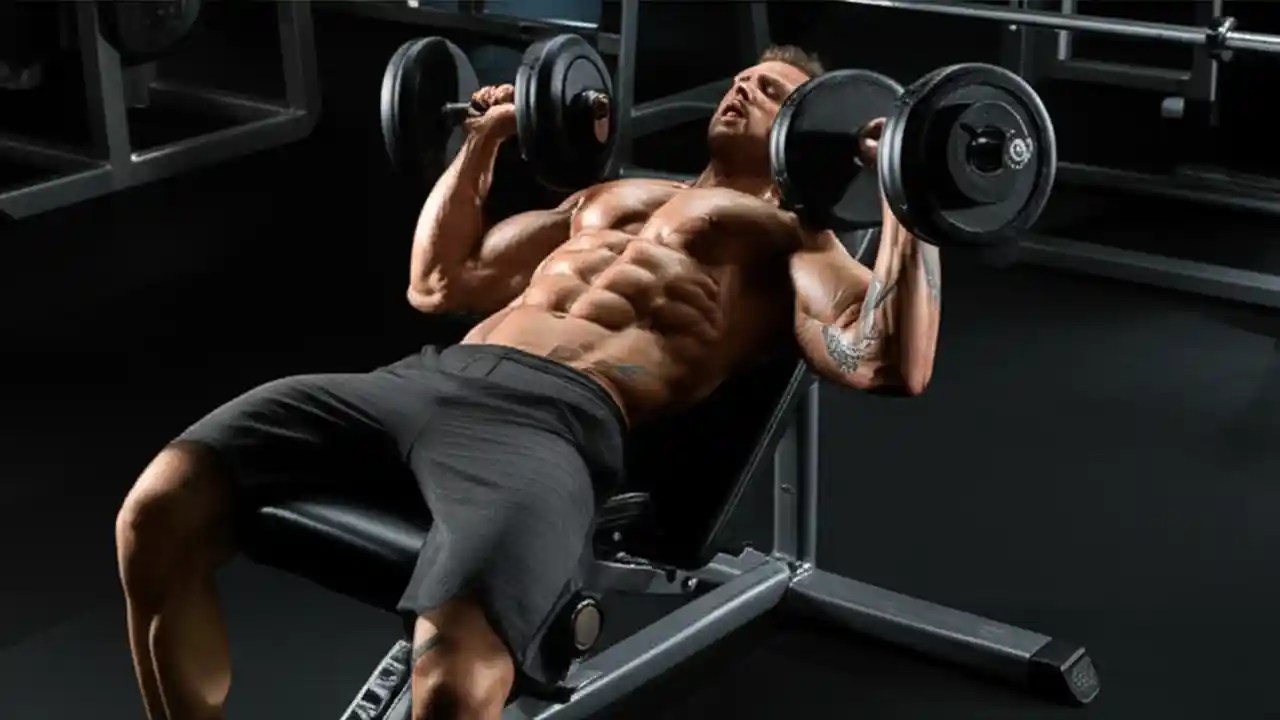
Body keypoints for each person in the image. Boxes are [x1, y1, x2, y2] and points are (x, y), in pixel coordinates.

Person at [115, 45, 941, 720]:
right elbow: (440, 282)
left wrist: (905, 184)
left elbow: (887, 362)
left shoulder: (794, 241)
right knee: (158, 511)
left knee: (453, 682)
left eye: (769, 91)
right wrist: (487, 139)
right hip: (425, 379)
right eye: (738, 78)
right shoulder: (608, 196)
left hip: (554, 424)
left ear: (813, 129)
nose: (740, 90)